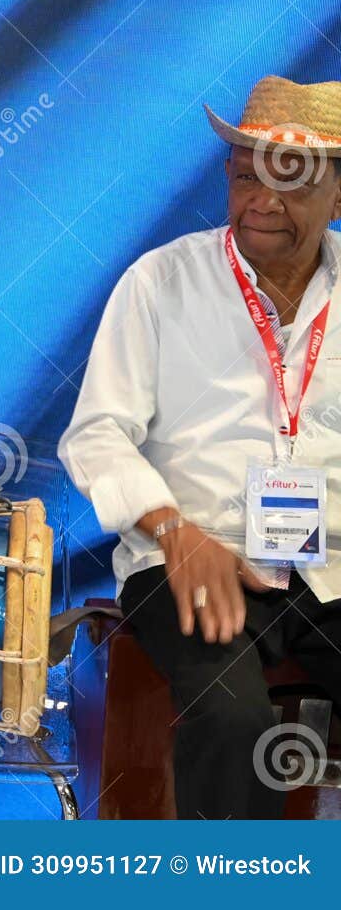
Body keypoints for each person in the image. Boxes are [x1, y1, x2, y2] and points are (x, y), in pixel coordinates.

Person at [61, 75, 341, 819]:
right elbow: (96, 435)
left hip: (332, 571)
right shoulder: (161, 283)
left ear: (339, 198)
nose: (263, 201)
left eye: (293, 183)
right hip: (189, 555)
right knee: (234, 721)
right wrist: (173, 530)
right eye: (247, 175)